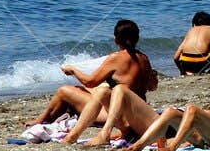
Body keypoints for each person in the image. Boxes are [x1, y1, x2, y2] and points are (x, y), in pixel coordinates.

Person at [28, 19, 159, 124]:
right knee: (82, 89)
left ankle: (40, 121)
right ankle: (55, 116)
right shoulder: (144, 58)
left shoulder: (116, 58)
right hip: (139, 111)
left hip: (117, 115)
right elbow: (152, 87)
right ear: (137, 38)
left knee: (64, 91)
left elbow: (90, 82)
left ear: (116, 39)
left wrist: (73, 70)